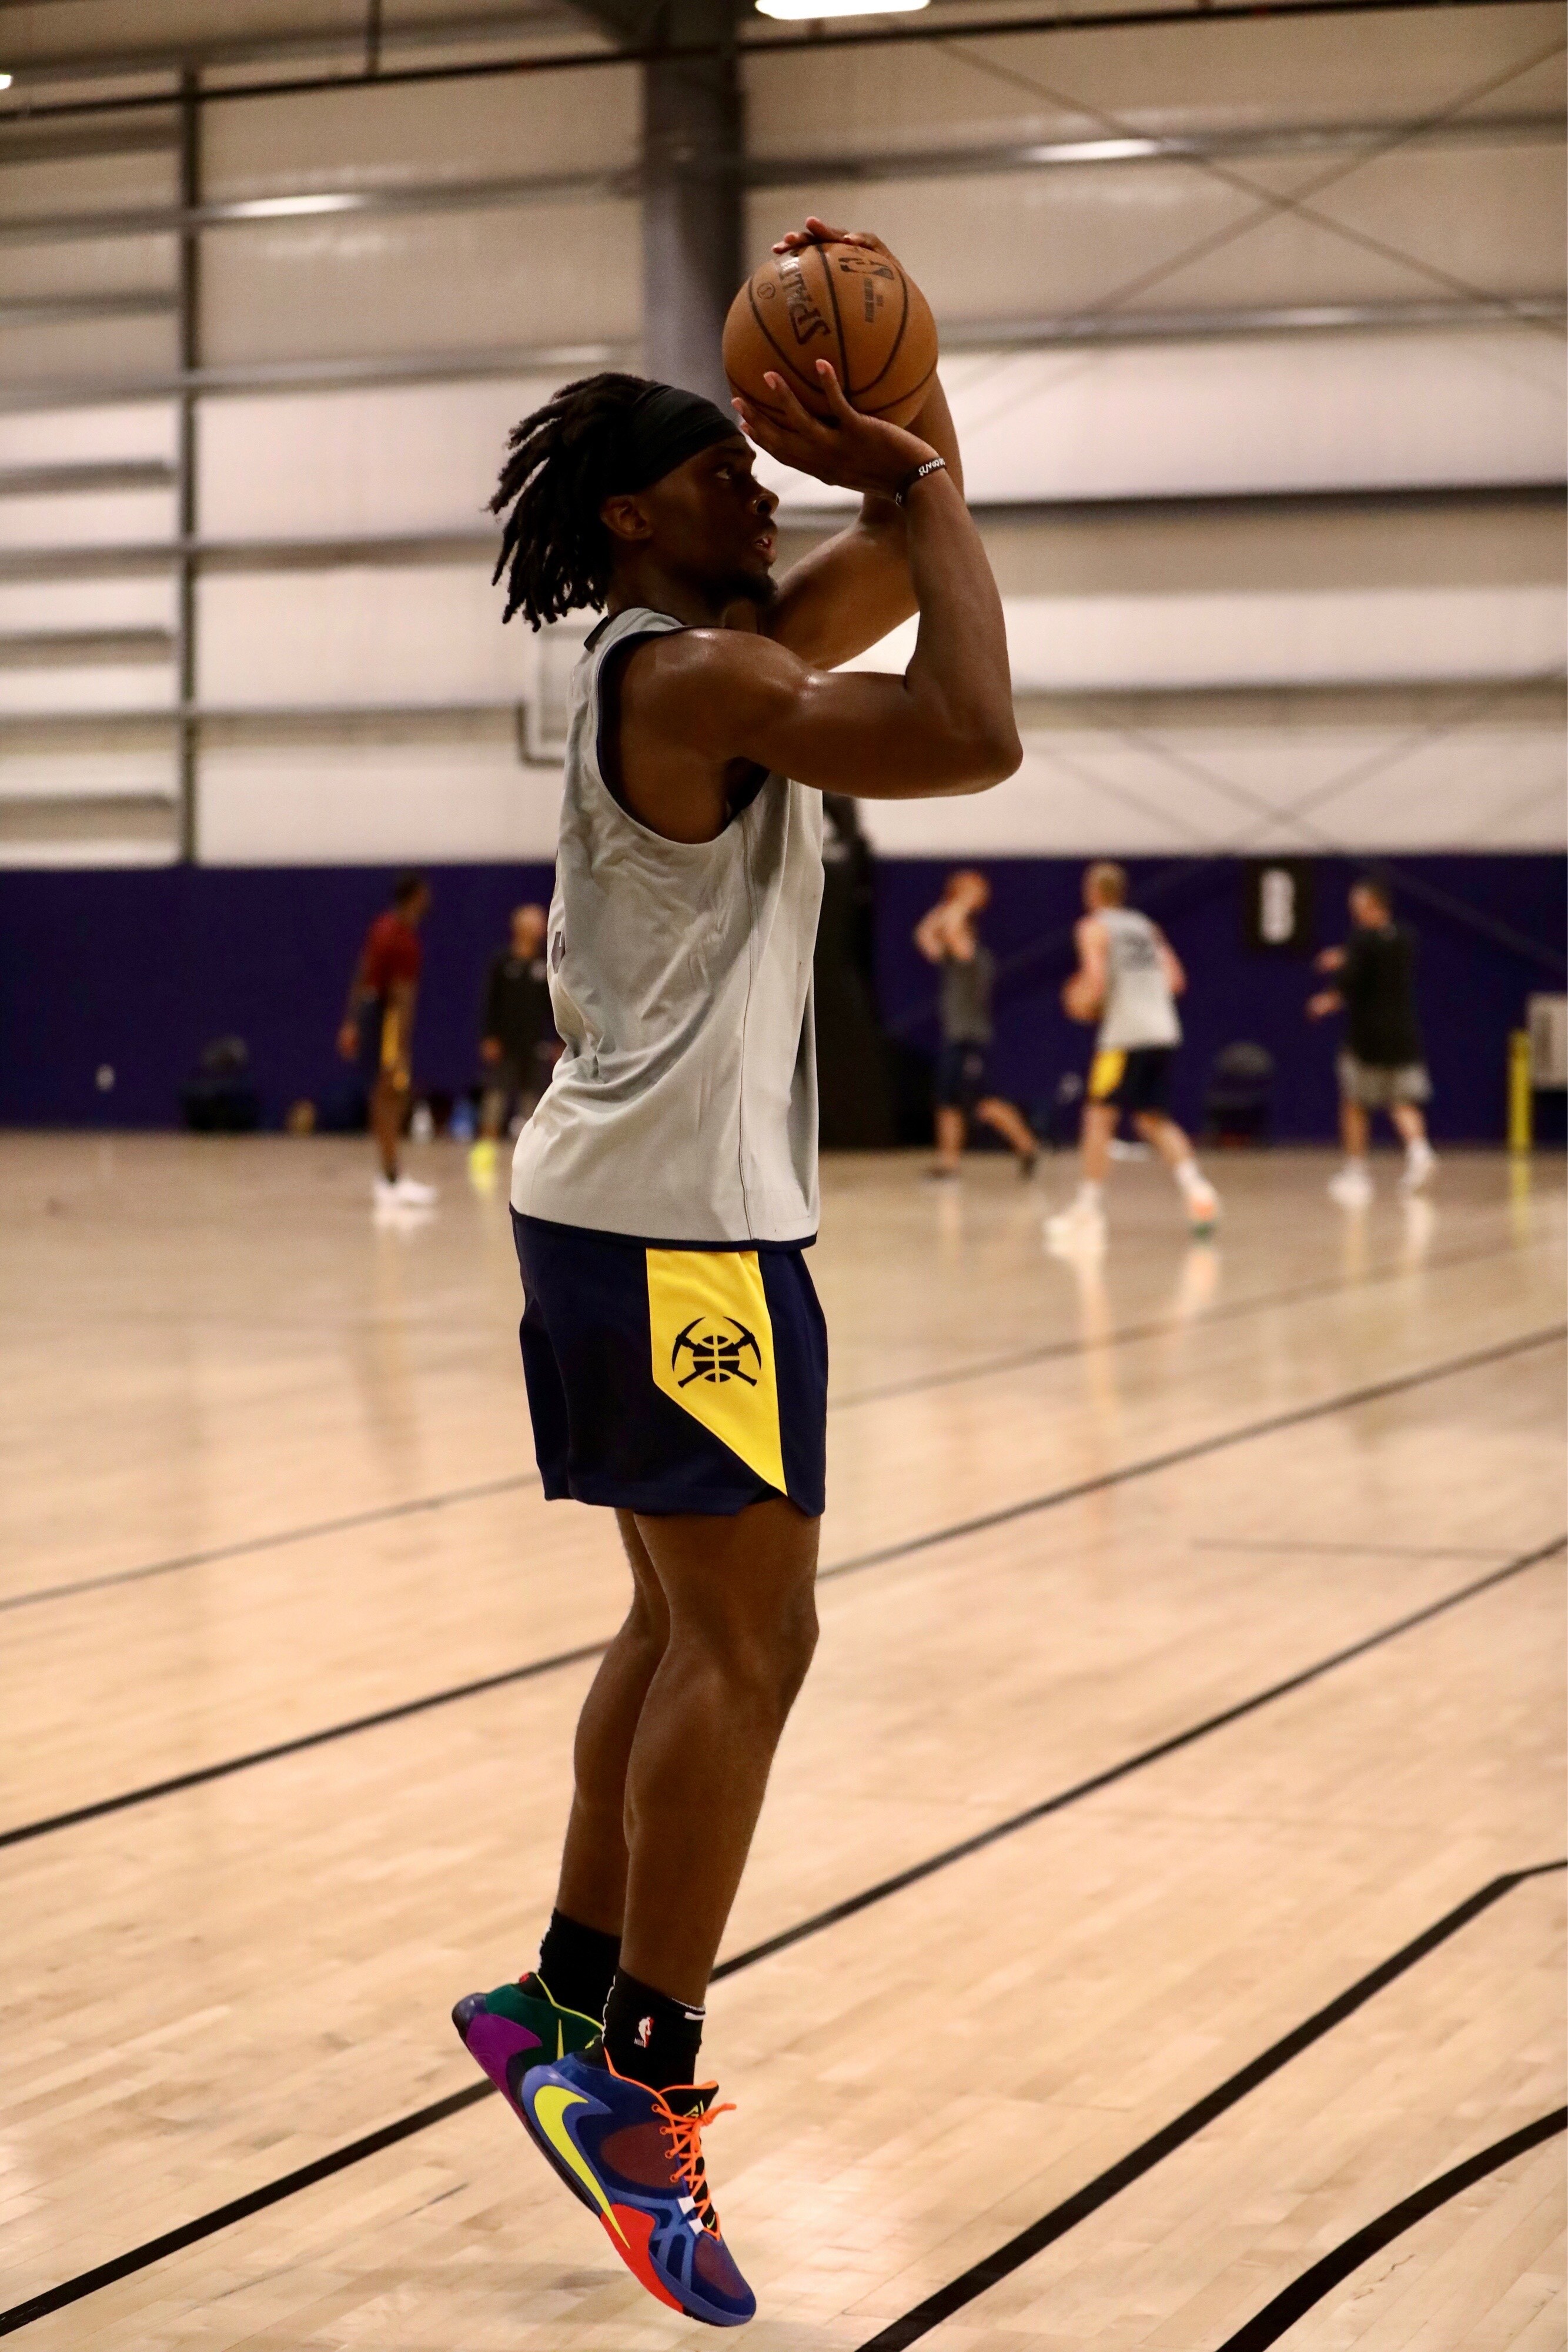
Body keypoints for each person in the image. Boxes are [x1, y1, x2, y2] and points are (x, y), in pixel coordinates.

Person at [449, 215, 1019, 2328]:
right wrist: (928, 485)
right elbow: (968, 727)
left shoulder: (672, 637)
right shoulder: (697, 669)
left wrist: (905, 433)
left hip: (625, 1206)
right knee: (751, 1647)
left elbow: (886, 553)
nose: (753, 491)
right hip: (681, 1233)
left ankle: (568, 1990)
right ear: (630, 512)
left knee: (679, 1620)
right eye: (719, 470)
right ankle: (638, 2081)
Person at [1047, 861, 1219, 1244]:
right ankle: (1198, 1192)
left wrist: (1082, 1002)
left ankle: (1087, 1212)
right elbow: (1175, 981)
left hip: (1122, 1038)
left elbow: (1094, 983)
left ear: (1092, 893)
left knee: (1096, 1121)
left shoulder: (1093, 928)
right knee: (1151, 1120)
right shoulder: (1145, 927)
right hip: (1161, 1031)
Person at [1308, 875, 1436, 1204]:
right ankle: (1421, 1153)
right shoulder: (1405, 937)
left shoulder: (1362, 941)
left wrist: (1326, 1001)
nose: (1354, 913)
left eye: (1359, 906)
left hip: (1367, 1037)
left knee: (1355, 1103)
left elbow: (1351, 982)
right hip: (1404, 1033)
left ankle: (1356, 1173)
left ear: (1373, 906)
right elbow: (1376, 959)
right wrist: (1346, 955)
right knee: (1401, 1099)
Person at [914, 868, 1037, 1178]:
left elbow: (951, 930)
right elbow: (925, 936)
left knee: (984, 1103)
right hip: (956, 1036)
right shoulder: (955, 955)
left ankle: (1027, 1146)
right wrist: (950, 903)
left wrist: (962, 902)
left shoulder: (973, 956)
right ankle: (948, 1164)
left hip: (972, 1038)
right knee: (947, 1101)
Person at [336, 871, 436, 1210]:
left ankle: (390, 1174)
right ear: (415, 898)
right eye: (425, 895)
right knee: (389, 1093)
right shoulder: (405, 941)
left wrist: (351, 1022)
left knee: (386, 1094)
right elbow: (402, 999)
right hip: (386, 1020)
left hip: (370, 1014)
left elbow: (361, 973)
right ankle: (391, 1177)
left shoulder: (381, 927)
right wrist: (401, 1050)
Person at [479, 902, 558, 1140]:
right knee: (495, 1100)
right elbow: (491, 1002)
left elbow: (552, 1005)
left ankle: (531, 1159)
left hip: (533, 1044)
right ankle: (485, 1158)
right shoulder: (502, 962)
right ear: (520, 927)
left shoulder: (545, 963)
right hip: (504, 1044)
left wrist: (557, 1039)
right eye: (536, 923)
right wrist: (489, 1037)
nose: (542, 928)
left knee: (533, 1104)